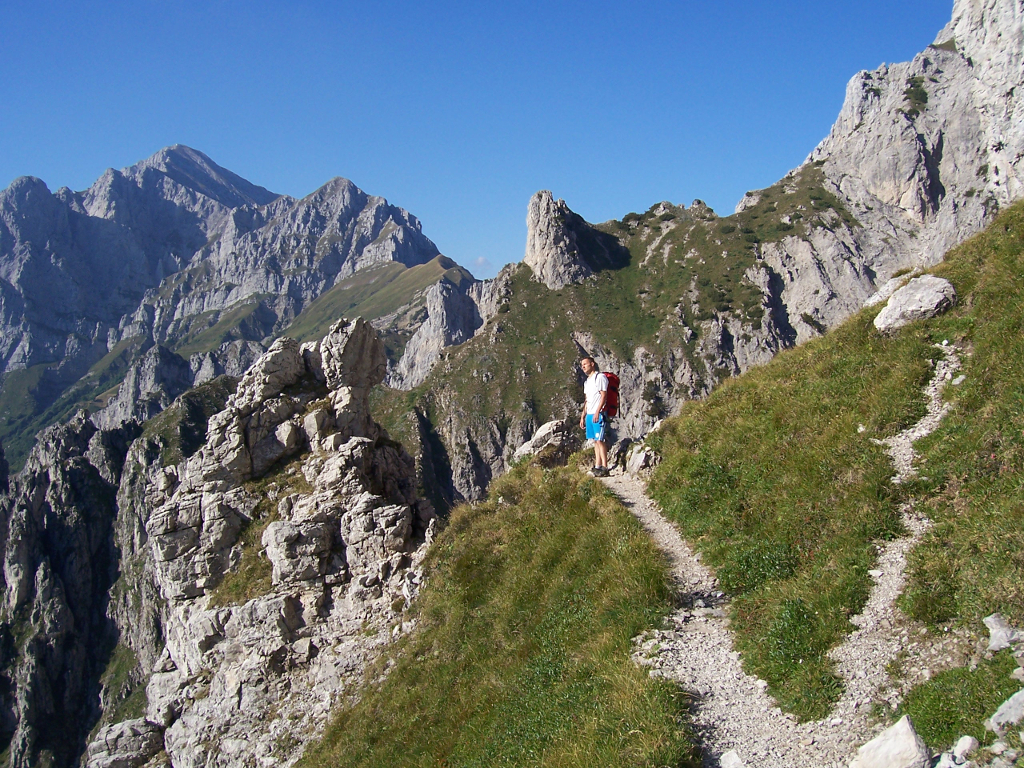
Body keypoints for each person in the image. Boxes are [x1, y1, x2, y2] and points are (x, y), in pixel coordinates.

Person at [579, 356, 611, 477]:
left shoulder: (600, 377)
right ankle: (597, 465)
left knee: (599, 440)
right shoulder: (587, 382)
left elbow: (604, 396)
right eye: (582, 365)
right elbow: (587, 400)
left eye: (585, 364)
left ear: (592, 364)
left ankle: (605, 466)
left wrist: (598, 411)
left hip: (598, 413)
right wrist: (583, 416)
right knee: (595, 441)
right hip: (590, 415)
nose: (583, 367)